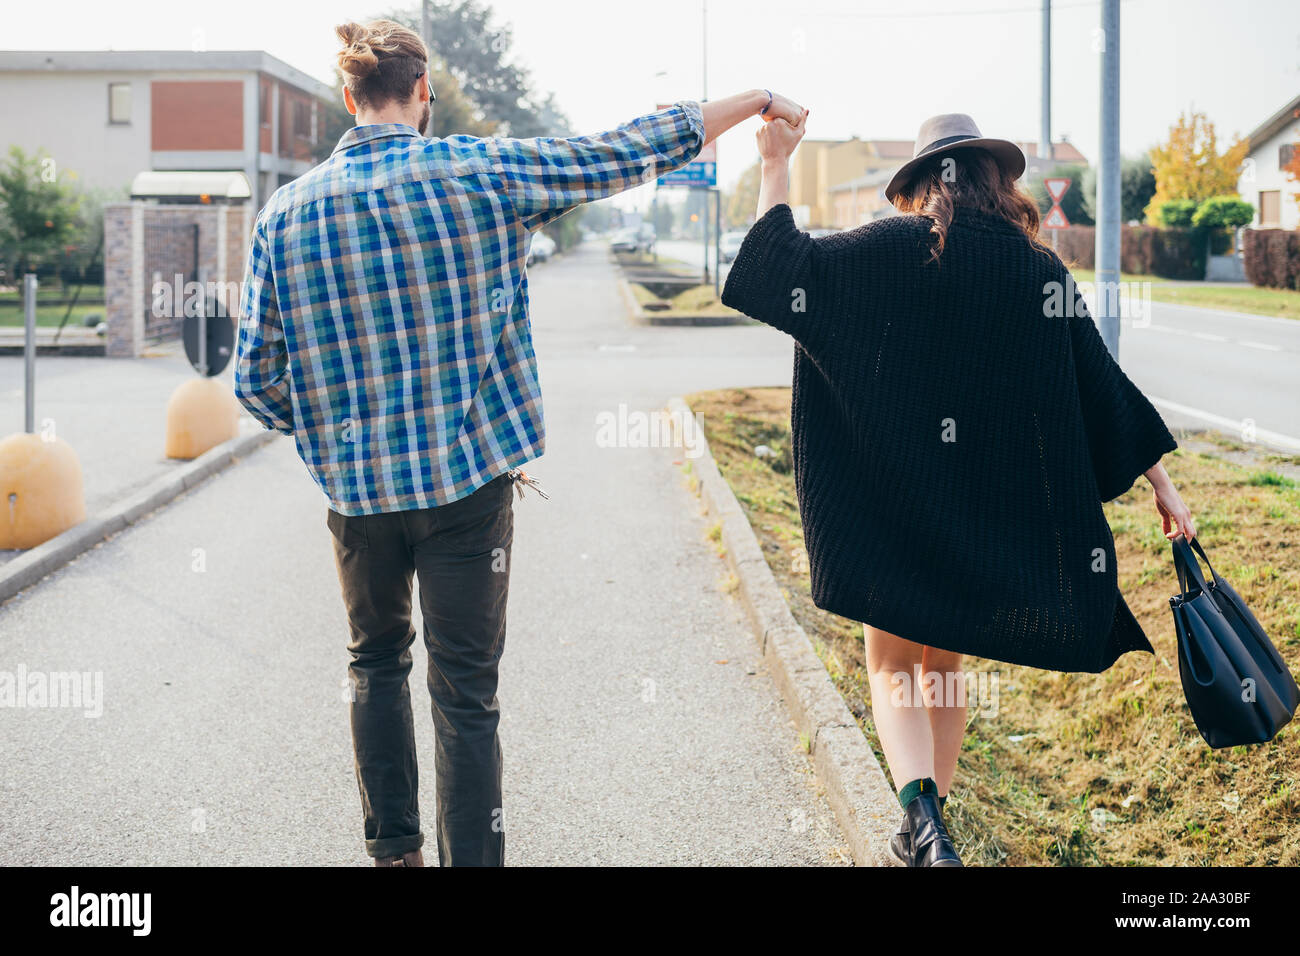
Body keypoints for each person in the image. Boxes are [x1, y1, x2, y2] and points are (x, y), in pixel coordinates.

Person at [233, 17, 802, 867]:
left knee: (375, 664)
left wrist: (334, 436)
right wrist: (754, 101)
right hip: (468, 492)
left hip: (359, 501)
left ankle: (394, 853)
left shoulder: (285, 215)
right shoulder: (482, 173)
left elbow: (254, 378)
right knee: (467, 696)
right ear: (422, 94)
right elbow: (624, 150)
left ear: (349, 98)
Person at [720, 112, 1195, 867]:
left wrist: (775, 163)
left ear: (915, 187)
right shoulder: (1036, 270)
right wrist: (1163, 486)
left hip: (890, 515)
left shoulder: (885, 249)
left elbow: (778, 269)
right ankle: (930, 838)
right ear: (998, 182)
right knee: (943, 671)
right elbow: (1101, 389)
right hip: (977, 525)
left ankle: (923, 823)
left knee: (890, 668)